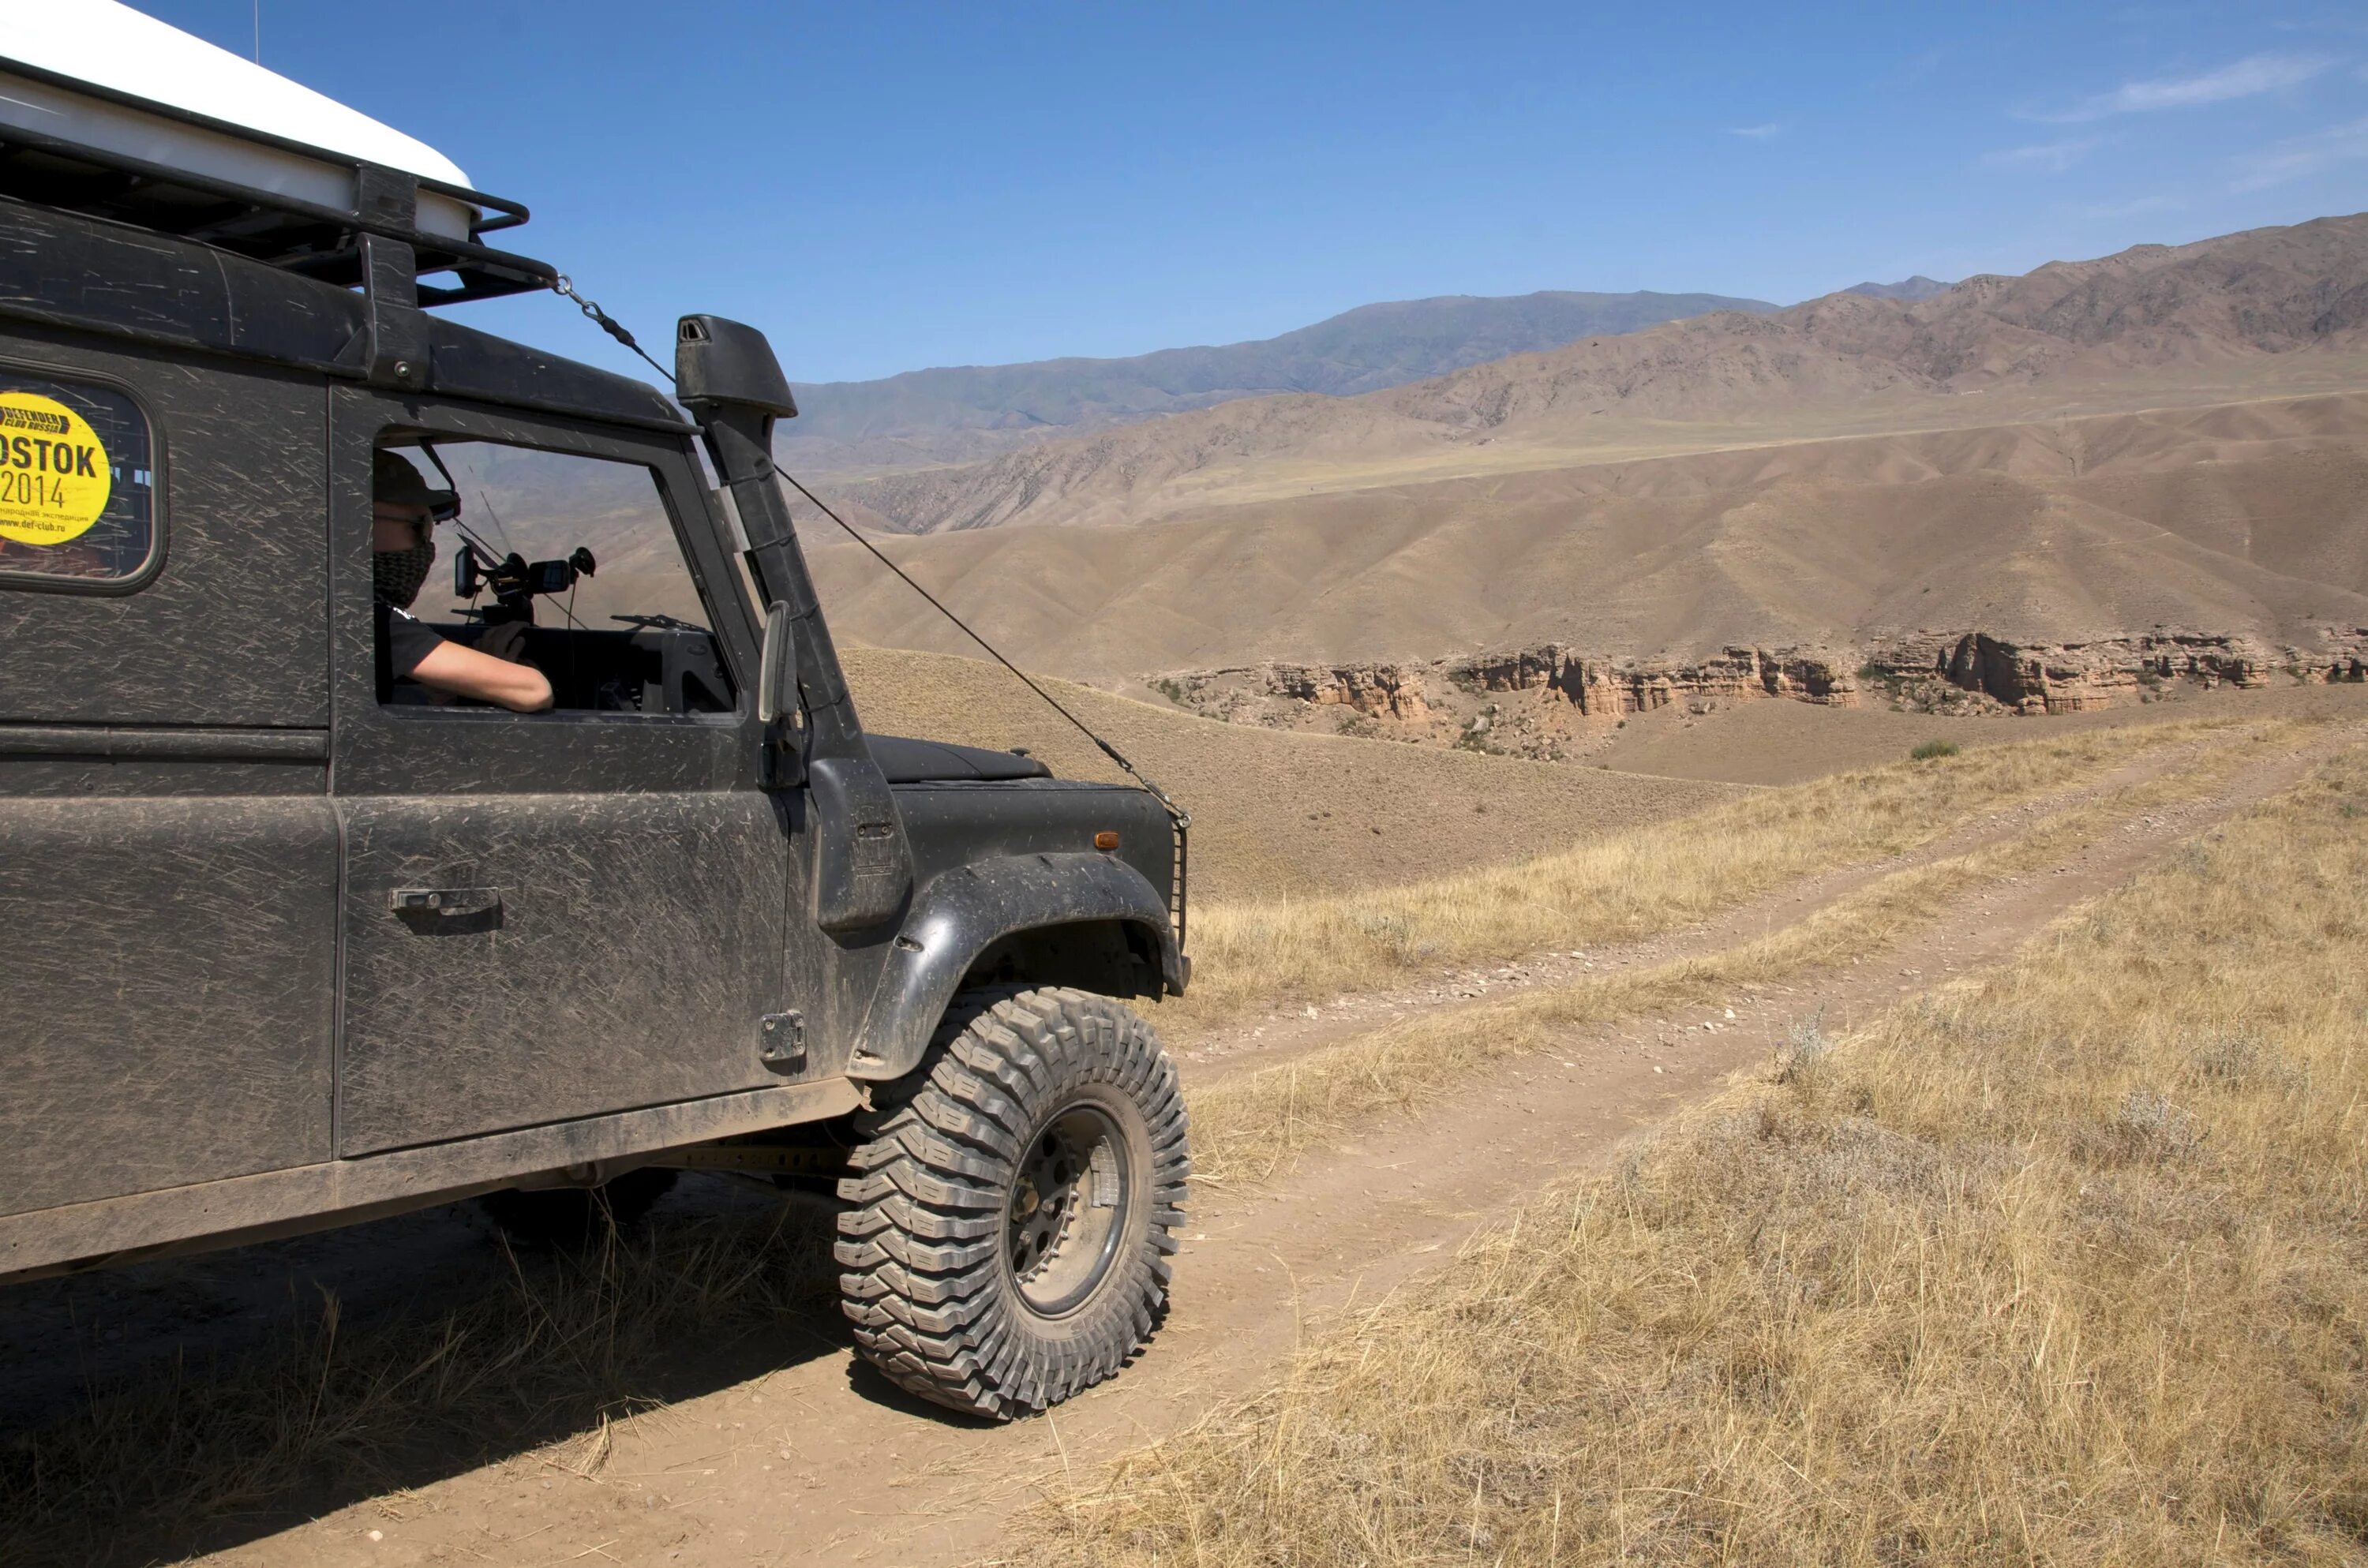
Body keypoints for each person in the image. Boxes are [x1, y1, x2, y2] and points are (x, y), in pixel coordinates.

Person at [373, 449, 553, 712]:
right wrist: (494, 664)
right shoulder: (371, 620)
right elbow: (533, 690)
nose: (426, 543)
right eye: (418, 525)